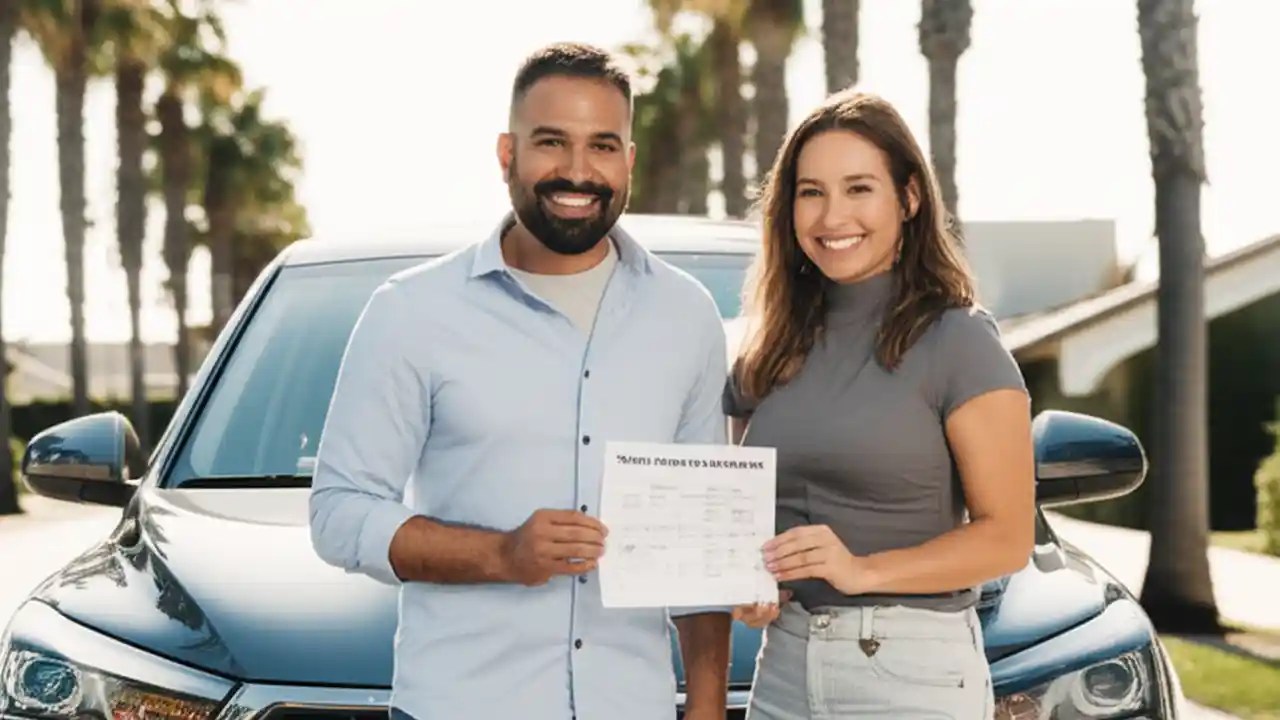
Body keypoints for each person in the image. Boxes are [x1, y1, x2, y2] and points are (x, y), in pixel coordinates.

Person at [309, 42, 732, 720]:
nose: (576, 170)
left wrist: (706, 706)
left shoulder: (686, 316)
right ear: (507, 155)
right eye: (550, 142)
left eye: (601, 145)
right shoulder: (413, 312)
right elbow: (339, 513)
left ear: (629, 161)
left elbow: (699, 539)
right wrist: (502, 554)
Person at [726, 90, 1036, 719]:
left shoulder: (959, 340)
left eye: (859, 188)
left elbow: (1007, 539)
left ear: (910, 198)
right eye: (811, 192)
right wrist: (750, 579)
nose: (831, 215)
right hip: (782, 665)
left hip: (907, 671)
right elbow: (740, 511)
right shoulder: (767, 349)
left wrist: (861, 569)